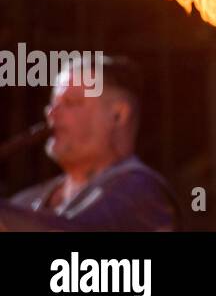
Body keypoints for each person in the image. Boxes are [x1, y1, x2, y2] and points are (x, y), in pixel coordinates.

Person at [0, 55, 179, 232]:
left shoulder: (143, 194)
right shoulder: (27, 200)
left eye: (70, 103)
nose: (51, 113)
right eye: (52, 104)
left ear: (118, 115)